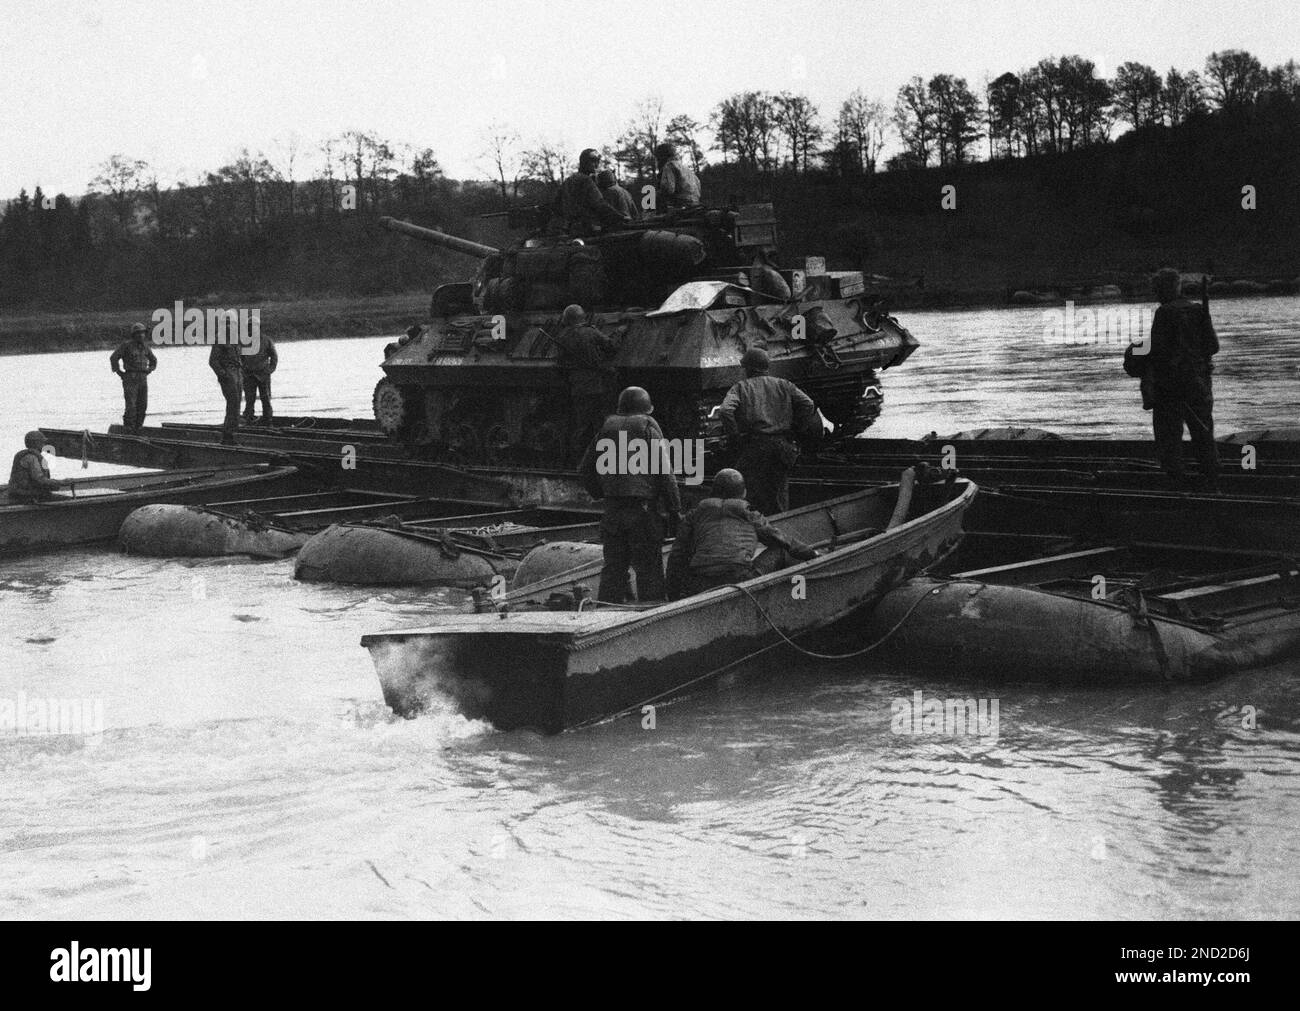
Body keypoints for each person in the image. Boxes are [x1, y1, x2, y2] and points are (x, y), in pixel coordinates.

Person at [579, 386, 683, 603]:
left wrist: (603, 493)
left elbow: (584, 470)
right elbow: (665, 474)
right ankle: (648, 623)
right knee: (649, 572)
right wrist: (675, 510)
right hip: (642, 513)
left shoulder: (606, 429)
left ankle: (605, 619)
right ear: (647, 409)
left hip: (613, 512)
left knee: (613, 571)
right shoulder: (648, 428)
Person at [666, 469, 817, 599]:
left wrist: (673, 595)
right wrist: (812, 553)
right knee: (781, 550)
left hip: (700, 583)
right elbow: (781, 540)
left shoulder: (694, 515)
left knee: (685, 554)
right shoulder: (749, 513)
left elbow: (676, 555)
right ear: (743, 493)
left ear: (713, 491)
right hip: (740, 579)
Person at [1141, 267, 1220, 488]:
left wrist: (1135, 351)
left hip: (1171, 390)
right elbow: (1213, 346)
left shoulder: (1164, 313)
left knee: (1169, 441)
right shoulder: (1198, 311)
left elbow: (1156, 351)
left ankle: (1175, 486)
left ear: (1162, 289)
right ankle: (1212, 482)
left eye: (1156, 289)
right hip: (1200, 386)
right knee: (1204, 436)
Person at [718, 346, 818, 515]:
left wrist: (734, 437)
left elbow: (725, 410)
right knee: (779, 491)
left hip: (756, 446)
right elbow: (808, 404)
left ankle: (748, 526)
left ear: (749, 368)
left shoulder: (741, 387)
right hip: (783, 446)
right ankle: (780, 526)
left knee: (741, 489)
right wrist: (797, 429)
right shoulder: (783, 384)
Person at [552, 304, 618, 459]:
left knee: (582, 423)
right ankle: (604, 456)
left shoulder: (563, 337)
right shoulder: (590, 332)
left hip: (577, 386)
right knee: (601, 422)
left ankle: (580, 457)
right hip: (597, 384)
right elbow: (611, 346)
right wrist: (618, 333)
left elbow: (561, 364)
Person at [556, 148, 629, 236]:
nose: (596, 165)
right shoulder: (586, 180)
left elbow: (557, 203)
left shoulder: (569, 180)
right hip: (587, 228)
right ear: (584, 162)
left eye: (598, 161)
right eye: (593, 161)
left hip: (568, 228)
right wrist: (620, 217)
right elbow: (599, 204)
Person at [108, 323, 157, 435]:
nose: (141, 335)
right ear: (134, 335)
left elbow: (154, 361)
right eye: (138, 333)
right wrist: (120, 373)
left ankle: (138, 428)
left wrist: (149, 370)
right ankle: (128, 429)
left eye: (143, 333)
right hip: (130, 378)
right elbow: (114, 358)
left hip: (143, 378)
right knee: (131, 406)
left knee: (143, 405)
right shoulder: (126, 346)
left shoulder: (145, 347)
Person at [7, 430, 65, 503]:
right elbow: (39, 479)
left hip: (19, 493)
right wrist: (61, 482)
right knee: (67, 500)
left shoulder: (27, 455)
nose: (44, 445)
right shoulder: (31, 458)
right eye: (43, 443)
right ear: (36, 443)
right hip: (26, 496)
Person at [209, 341, 244, 445]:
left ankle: (232, 433)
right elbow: (213, 361)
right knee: (233, 403)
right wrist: (224, 374)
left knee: (237, 404)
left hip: (238, 374)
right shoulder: (220, 341)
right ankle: (228, 435)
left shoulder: (237, 340)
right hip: (229, 375)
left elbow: (240, 358)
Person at [241, 335, 278, 426]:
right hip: (248, 375)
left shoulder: (266, 340)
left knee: (266, 398)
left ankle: (268, 420)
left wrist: (270, 369)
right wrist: (242, 371)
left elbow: (274, 356)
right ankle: (248, 419)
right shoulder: (243, 340)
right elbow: (239, 357)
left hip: (263, 375)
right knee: (249, 399)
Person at [654, 142, 700, 210]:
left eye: (658, 158)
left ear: (662, 156)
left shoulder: (669, 165)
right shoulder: (688, 170)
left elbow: (668, 189)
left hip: (680, 207)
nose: (657, 161)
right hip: (695, 205)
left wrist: (654, 196)